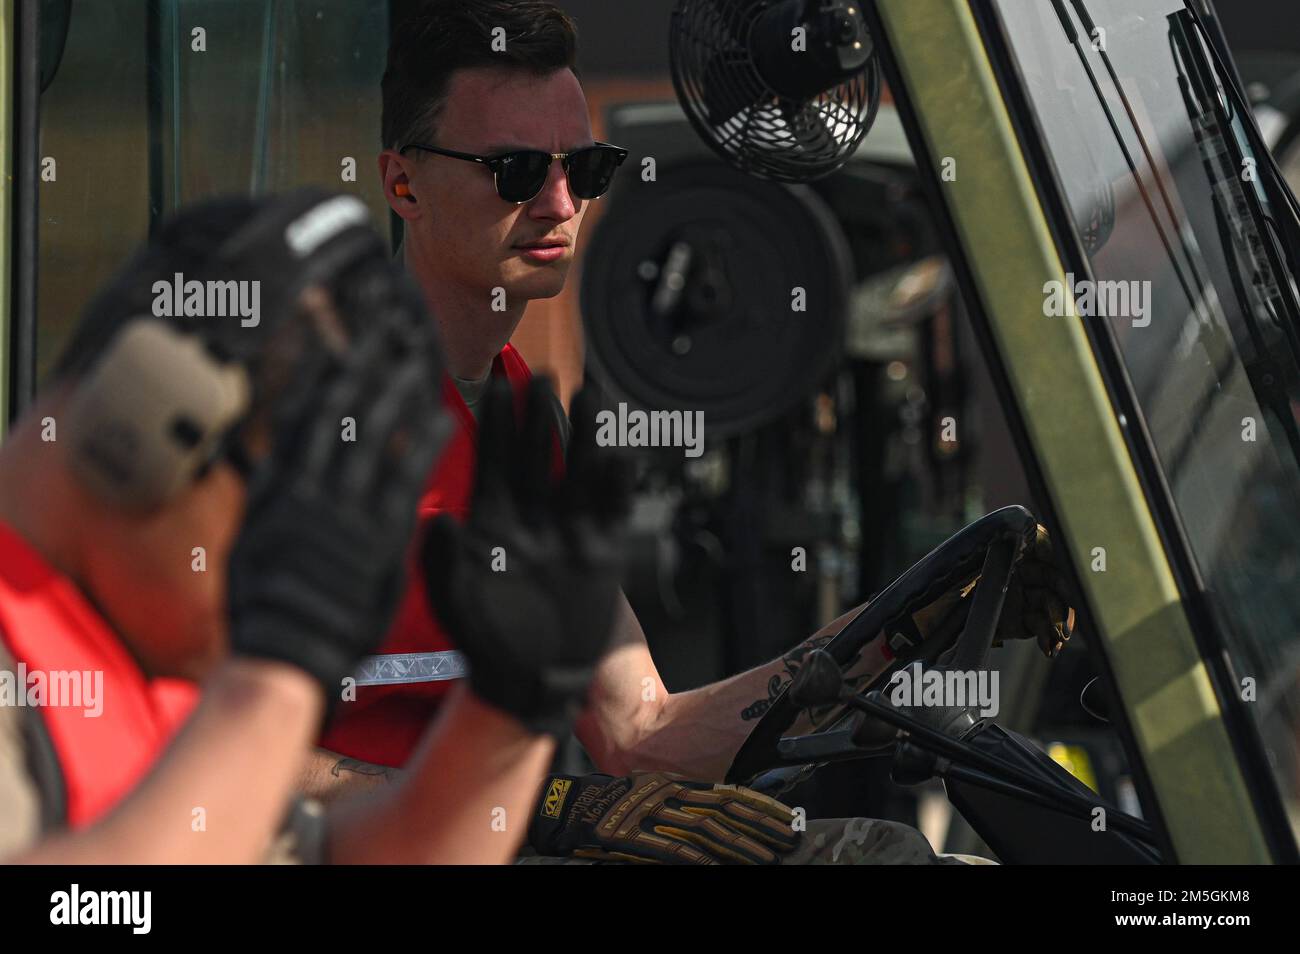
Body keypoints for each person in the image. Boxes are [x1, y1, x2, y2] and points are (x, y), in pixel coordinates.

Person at [307, 0, 1077, 864]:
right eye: (517, 170)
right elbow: (188, 740)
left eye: (586, 167)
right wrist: (549, 811)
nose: (561, 202)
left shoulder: (525, 420)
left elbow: (642, 737)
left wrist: (911, 627)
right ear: (403, 183)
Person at [0, 188, 626, 864]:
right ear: (147, 420)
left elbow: (355, 859)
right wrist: (276, 676)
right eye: (297, 513)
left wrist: (505, 712)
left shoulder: (142, 682)